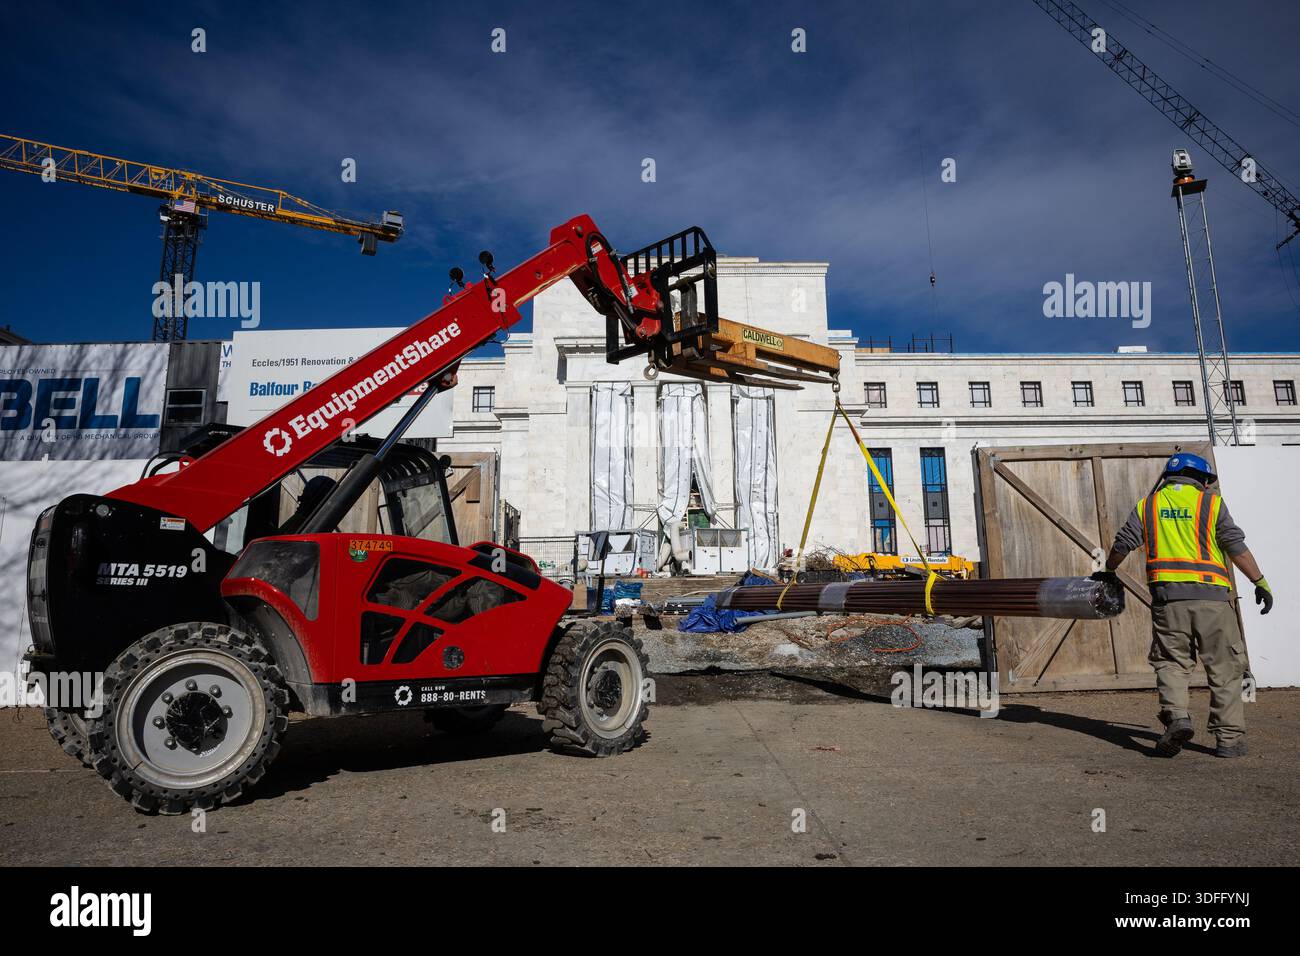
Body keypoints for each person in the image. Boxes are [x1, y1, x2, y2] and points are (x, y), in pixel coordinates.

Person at [1097, 453, 1272, 758]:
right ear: (1202, 479)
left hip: (1168, 601)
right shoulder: (1211, 504)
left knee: (1171, 662)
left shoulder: (1147, 506)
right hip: (1212, 600)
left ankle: (1177, 717)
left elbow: (1122, 544)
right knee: (1225, 667)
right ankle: (1228, 740)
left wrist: (1109, 570)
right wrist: (1259, 581)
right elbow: (1234, 546)